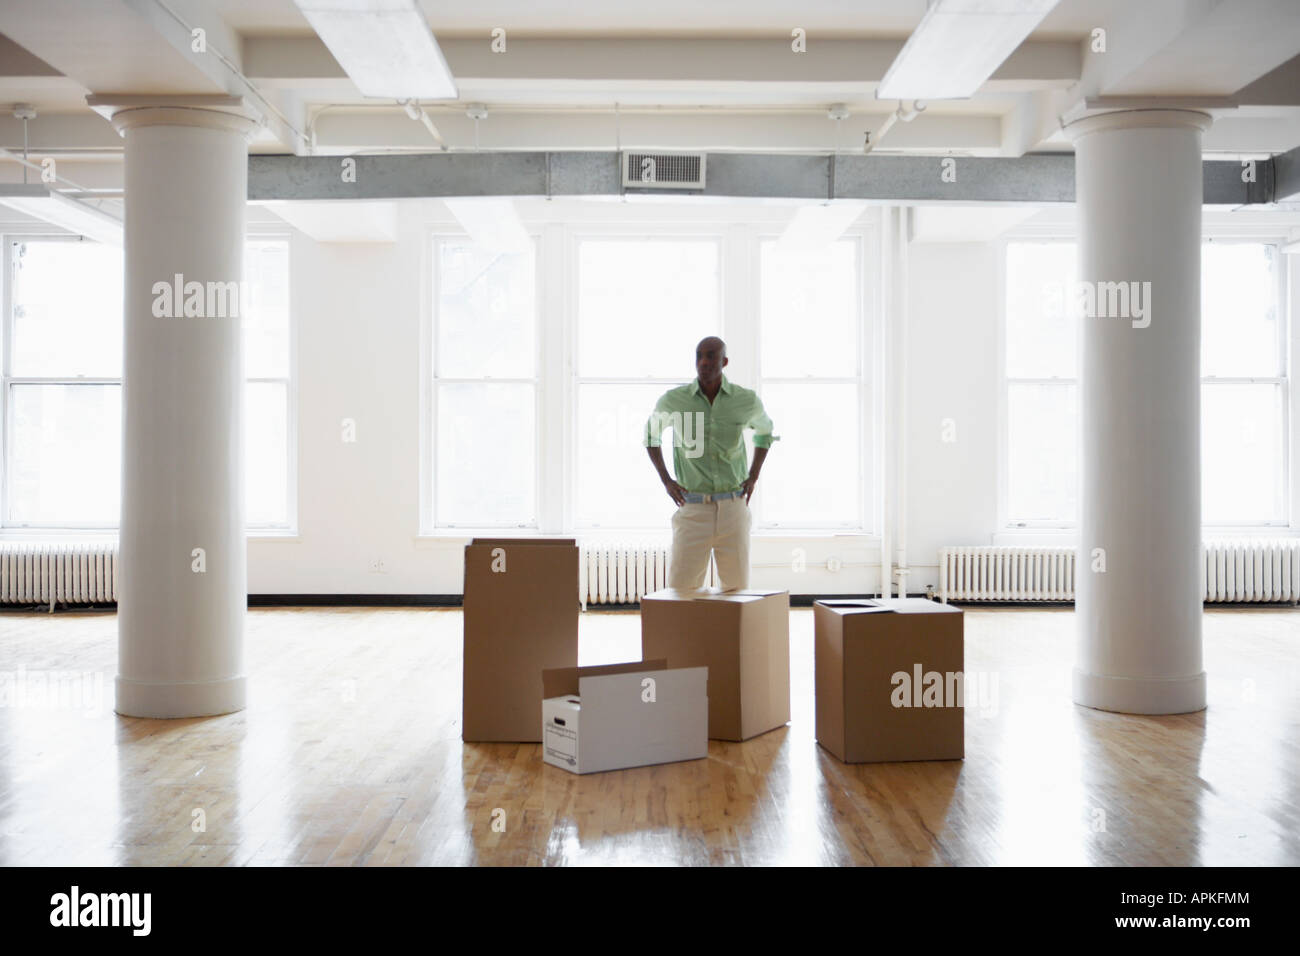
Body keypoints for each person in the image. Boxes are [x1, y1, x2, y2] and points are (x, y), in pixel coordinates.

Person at [643, 336, 778, 590]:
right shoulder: (674, 401)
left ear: (724, 361)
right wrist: (666, 481)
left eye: (711, 356)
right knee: (681, 591)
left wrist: (754, 476)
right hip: (692, 509)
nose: (703, 362)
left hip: (733, 509)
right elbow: (651, 436)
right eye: (699, 356)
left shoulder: (746, 400)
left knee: (737, 592)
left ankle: (729, 632)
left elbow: (765, 433)